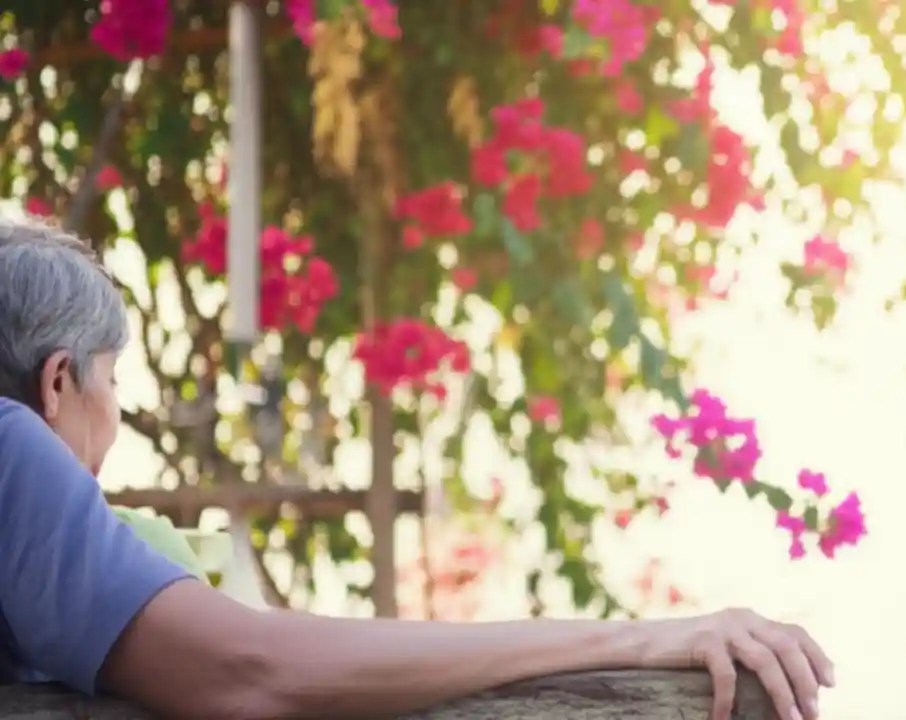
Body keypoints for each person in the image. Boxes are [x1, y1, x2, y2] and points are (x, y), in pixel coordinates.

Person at [0, 217, 834, 720]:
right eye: (113, 381)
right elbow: (253, 670)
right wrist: (647, 637)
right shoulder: (12, 446)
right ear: (61, 381)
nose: (112, 416)